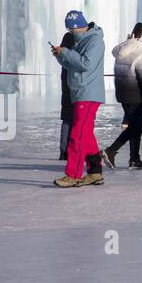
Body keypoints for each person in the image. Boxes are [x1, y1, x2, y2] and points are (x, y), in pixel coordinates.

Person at [51, 11, 107, 188]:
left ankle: (73, 174)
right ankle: (95, 172)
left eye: (71, 28)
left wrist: (66, 52)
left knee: (78, 134)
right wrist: (61, 56)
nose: (70, 32)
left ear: (80, 26)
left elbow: (86, 64)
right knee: (86, 134)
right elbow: (72, 64)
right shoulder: (80, 41)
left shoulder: (95, 40)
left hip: (89, 93)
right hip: (80, 92)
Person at [104, 23, 142, 170]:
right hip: (136, 95)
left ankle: (134, 159)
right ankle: (111, 151)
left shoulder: (124, 49)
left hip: (123, 93)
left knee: (135, 127)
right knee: (135, 128)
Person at [57, 30, 75, 159]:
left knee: (67, 119)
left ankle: (63, 151)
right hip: (74, 87)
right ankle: (71, 150)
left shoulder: (64, 61)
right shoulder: (72, 59)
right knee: (75, 119)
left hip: (66, 87)